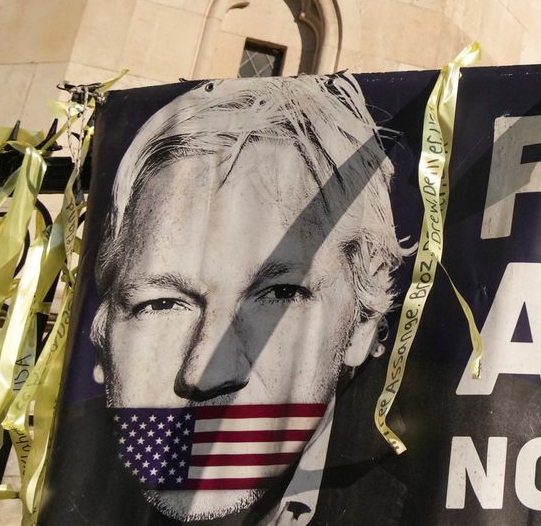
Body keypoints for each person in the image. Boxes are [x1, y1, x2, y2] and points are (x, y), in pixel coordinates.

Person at [78, 75, 408, 524]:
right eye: (162, 303)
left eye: (279, 294)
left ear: (362, 323)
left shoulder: (441, 497)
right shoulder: (68, 475)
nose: (205, 372)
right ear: (103, 333)